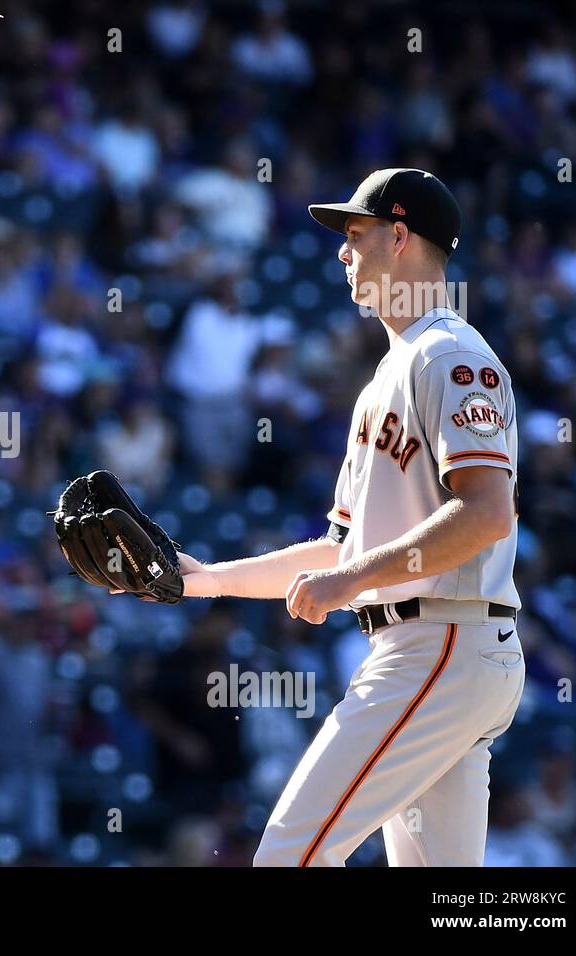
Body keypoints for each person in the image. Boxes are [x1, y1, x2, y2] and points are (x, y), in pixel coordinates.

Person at [179, 169, 524, 866]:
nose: (342, 250)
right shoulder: (386, 377)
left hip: (442, 643)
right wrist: (206, 579)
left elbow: (488, 513)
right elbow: (340, 552)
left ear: (400, 237)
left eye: (356, 234)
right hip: (438, 649)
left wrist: (352, 580)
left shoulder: (450, 354)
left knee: (289, 855)